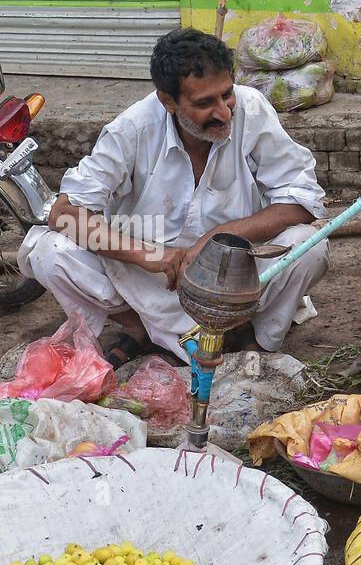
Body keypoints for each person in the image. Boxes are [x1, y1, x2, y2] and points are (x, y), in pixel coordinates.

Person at [17, 28, 328, 367]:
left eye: (226, 95)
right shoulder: (132, 129)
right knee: (49, 251)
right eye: (204, 103)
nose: (223, 113)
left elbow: (302, 201)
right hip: (153, 279)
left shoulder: (251, 110)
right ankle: (140, 329)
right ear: (167, 101)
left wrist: (217, 238)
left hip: (235, 272)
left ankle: (256, 338)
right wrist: (150, 256)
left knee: (309, 244)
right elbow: (64, 215)